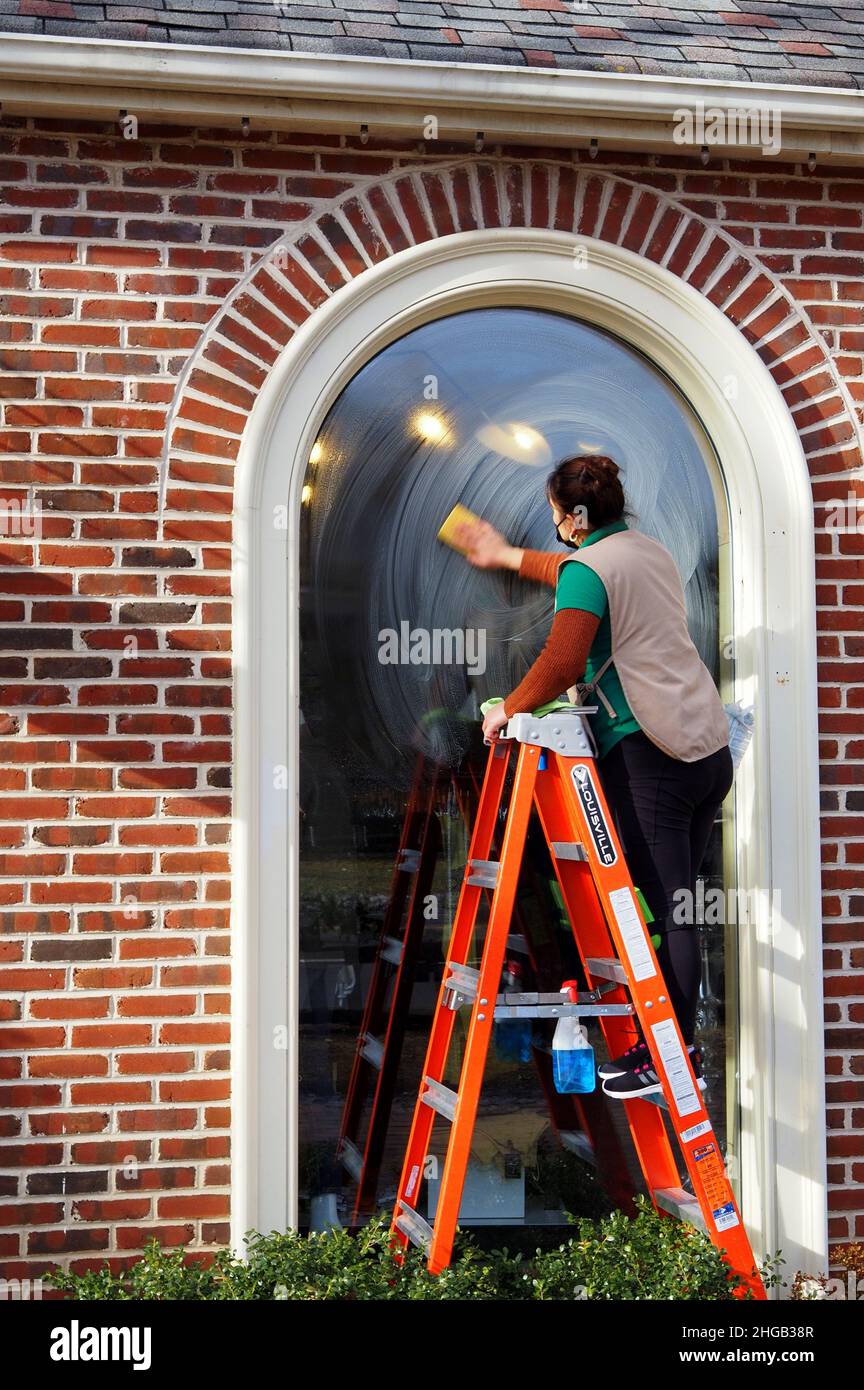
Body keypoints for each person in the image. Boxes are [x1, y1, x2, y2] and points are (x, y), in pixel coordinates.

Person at [453, 454, 734, 1100]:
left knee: (671, 910)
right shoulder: (646, 551)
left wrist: (508, 709)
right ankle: (670, 1048)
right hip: (704, 748)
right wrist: (504, 554)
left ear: (569, 516)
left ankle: (672, 1058)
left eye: (555, 515)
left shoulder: (588, 569)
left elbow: (562, 660)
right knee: (680, 903)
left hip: (652, 754)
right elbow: (577, 570)